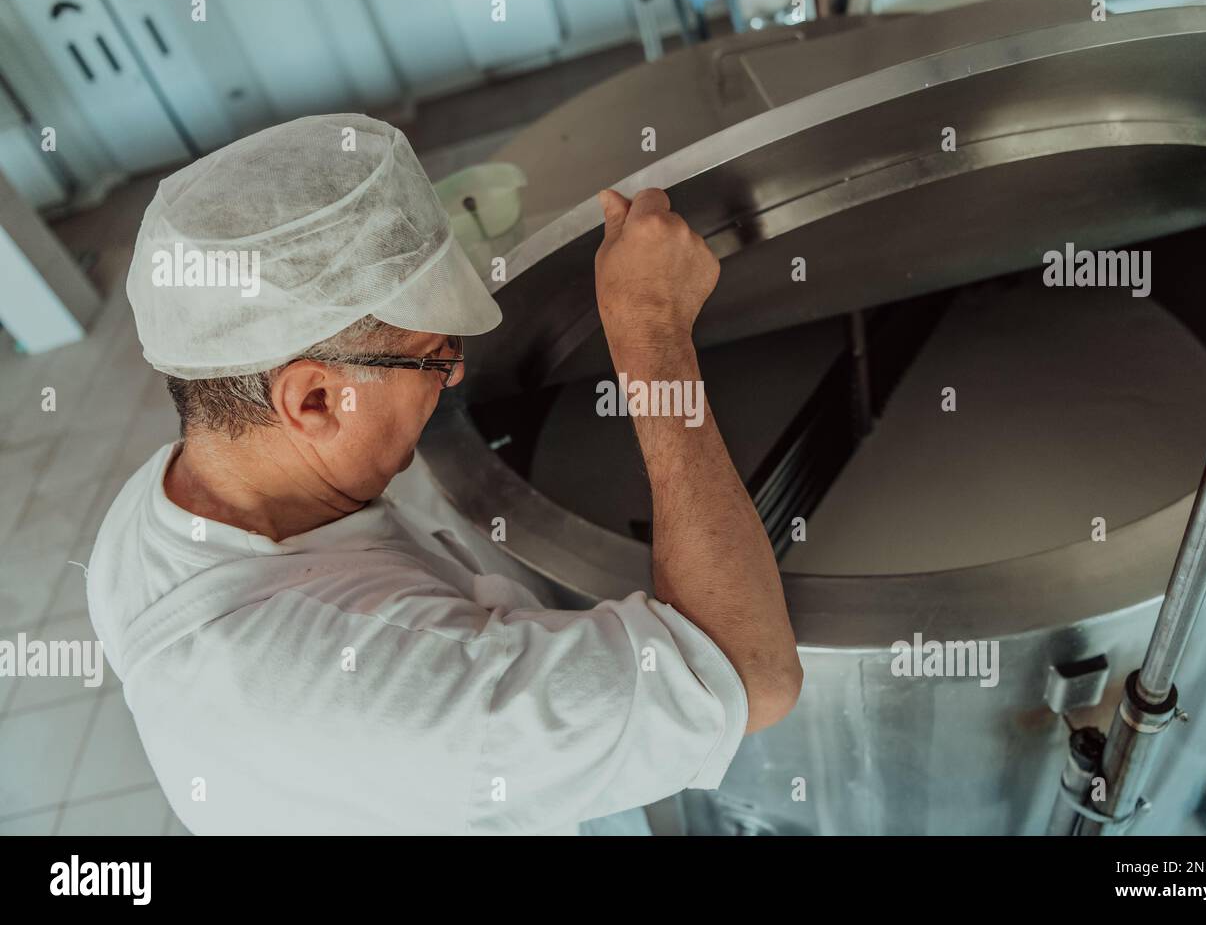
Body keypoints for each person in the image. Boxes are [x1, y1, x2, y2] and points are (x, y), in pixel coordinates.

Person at [87, 113, 801, 834]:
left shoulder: (159, 511)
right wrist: (652, 333)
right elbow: (749, 674)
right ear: (312, 400)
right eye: (432, 355)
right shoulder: (393, 707)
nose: (455, 369)